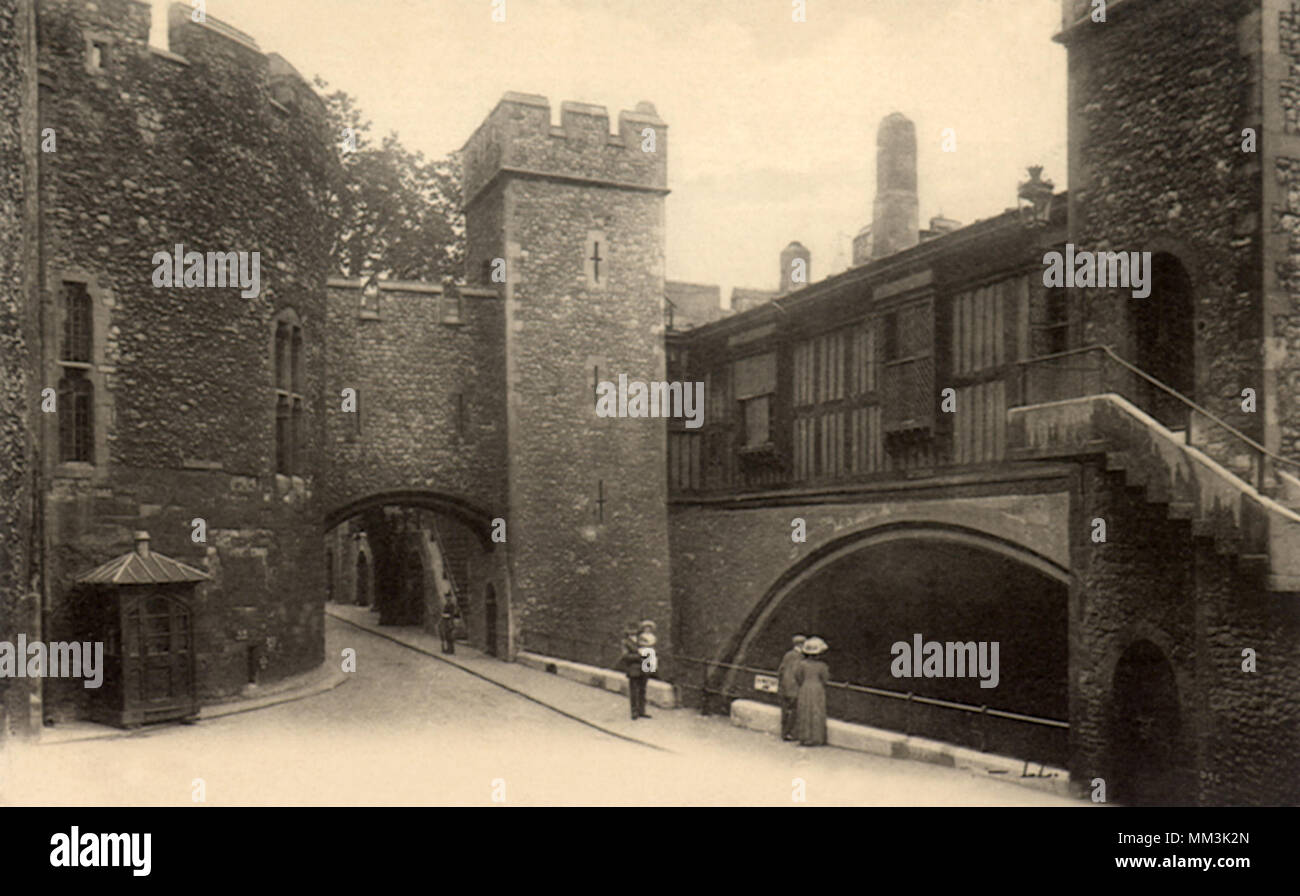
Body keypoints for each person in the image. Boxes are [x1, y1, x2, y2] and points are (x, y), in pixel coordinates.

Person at [794, 636, 829, 746]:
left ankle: (804, 737)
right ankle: (816, 738)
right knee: (817, 712)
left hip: (805, 687)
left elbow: (797, 676)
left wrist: (803, 683)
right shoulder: (822, 666)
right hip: (817, 688)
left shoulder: (802, 664)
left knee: (804, 711)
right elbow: (825, 679)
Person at [777, 635, 807, 741]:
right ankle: (790, 733)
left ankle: (784, 733)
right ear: (801, 645)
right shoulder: (801, 657)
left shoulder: (787, 655)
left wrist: (781, 684)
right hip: (795, 688)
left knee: (785, 711)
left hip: (785, 687)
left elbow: (781, 670)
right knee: (793, 711)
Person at [617, 633, 650, 720]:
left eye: (635, 633)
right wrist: (640, 656)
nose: (633, 635)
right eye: (631, 633)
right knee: (634, 690)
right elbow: (625, 656)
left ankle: (642, 711)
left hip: (644, 668)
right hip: (633, 669)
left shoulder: (642, 640)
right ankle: (634, 711)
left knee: (643, 690)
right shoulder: (625, 643)